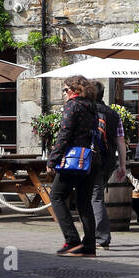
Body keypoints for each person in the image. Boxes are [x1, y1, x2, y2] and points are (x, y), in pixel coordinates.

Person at [48, 76, 101, 256]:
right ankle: (89, 246)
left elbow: (64, 134)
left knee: (56, 196)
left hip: (73, 160)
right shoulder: (91, 107)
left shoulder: (72, 105)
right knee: (84, 202)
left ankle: (72, 241)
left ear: (74, 90)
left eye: (65, 90)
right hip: (90, 159)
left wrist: (53, 160)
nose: (64, 93)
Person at [83, 80, 130, 249]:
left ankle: (102, 237)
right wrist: (122, 165)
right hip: (108, 160)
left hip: (90, 158)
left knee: (94, 197)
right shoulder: (113, 114)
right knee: (94, 195)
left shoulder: (86, 110)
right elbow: (121, 141)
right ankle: (92, 234)